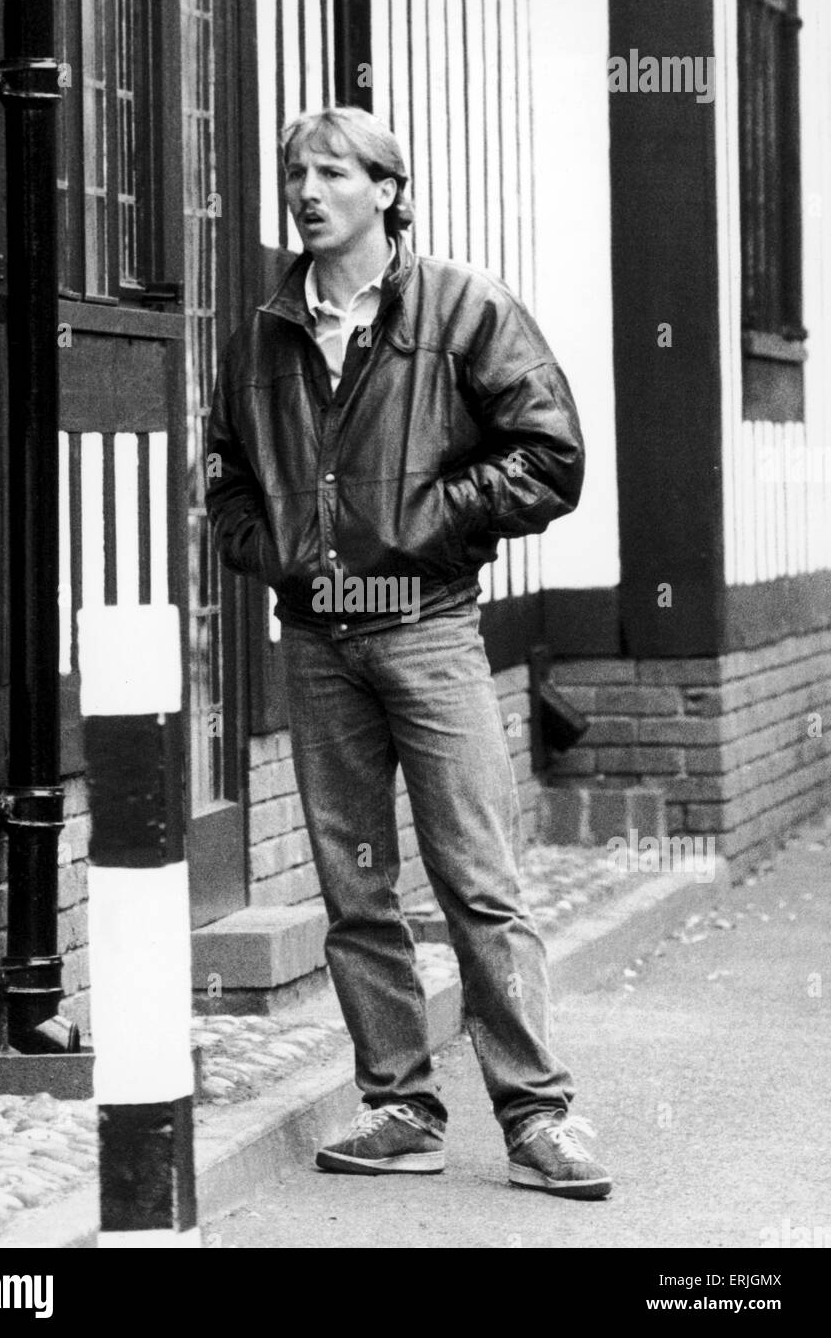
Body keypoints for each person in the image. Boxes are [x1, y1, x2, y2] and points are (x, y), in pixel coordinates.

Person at [205, 106, 611, 1200]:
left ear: (384, 189)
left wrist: (424, 522)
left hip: (427, 629)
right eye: (294, 171)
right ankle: (397, 1106)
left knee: (477, 879)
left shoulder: (464, 308)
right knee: (355, 887)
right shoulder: (257, 334)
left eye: (331, 171)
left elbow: (549, 455)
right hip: (318, 639)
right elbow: (224, 478)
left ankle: (538, 1118)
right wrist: (281, 551)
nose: (305, 189)